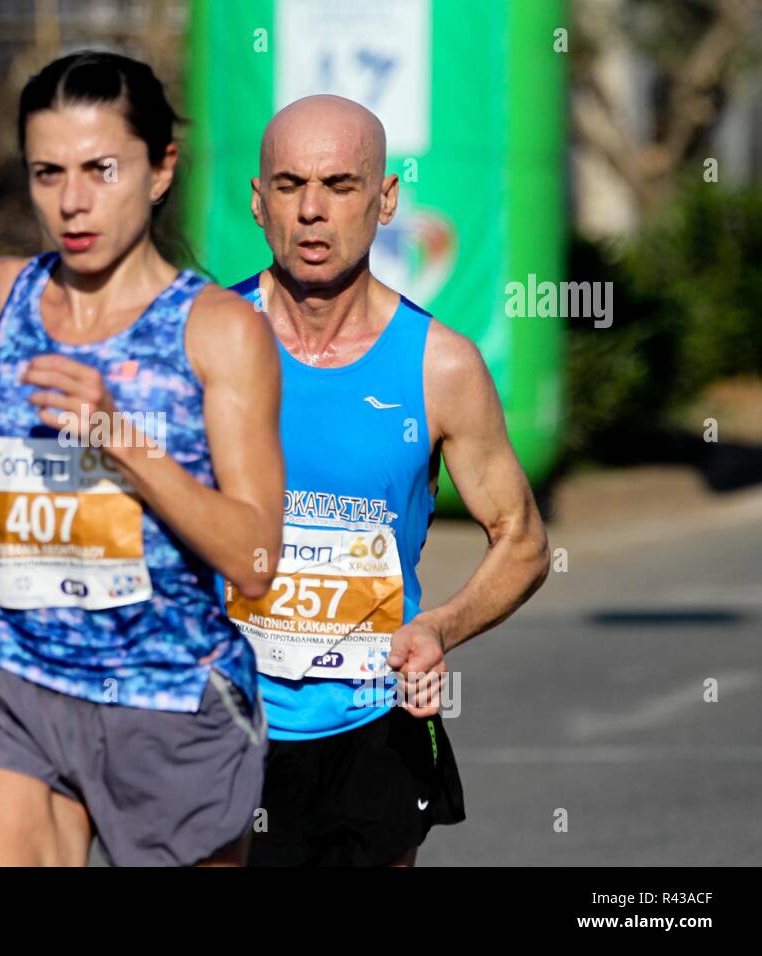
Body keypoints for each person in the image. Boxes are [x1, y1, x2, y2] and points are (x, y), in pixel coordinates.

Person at [0, 51, 284, 867]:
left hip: (166, 695)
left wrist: (120, 439)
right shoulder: (1, 294)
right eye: (47, 172)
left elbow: (255, 558)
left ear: (161, 169)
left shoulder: (217, 332)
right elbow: (5, 447)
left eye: (102, 169)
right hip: (14, 677)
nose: (72, 201)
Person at [224, 94, 550, 867]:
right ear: (257, 201)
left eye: (340, 186)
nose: (311, 211)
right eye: (289, 185)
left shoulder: (440, 365)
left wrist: (439, 628)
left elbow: (524, 541)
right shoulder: (203, 340)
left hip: (371, 725)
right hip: (222, 722)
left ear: (386, 199)